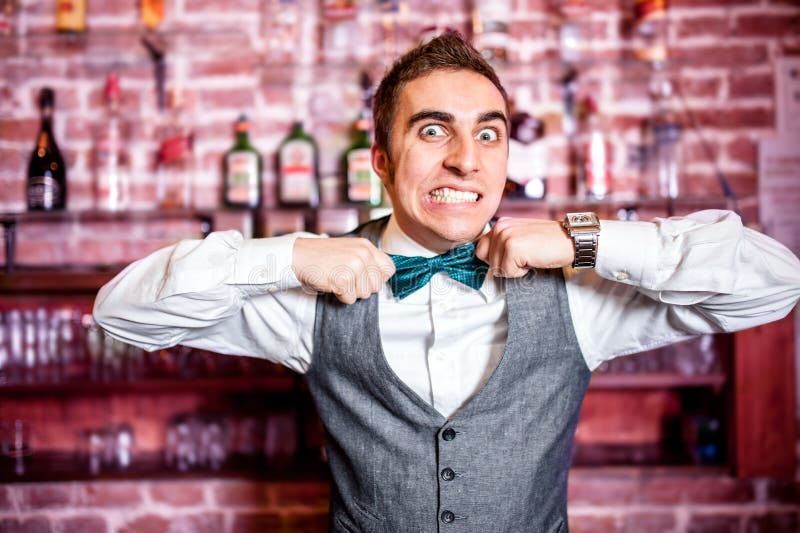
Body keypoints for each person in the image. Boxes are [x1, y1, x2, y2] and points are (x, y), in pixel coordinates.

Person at [94, 32, 800, 532]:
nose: (467, 161)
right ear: (379, 158)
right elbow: (121, 311)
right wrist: (287, 257)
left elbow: (774, 281)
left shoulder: (580, 289)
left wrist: (585, 238)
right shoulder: (312, 291)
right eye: (434, 131)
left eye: (488, 134)